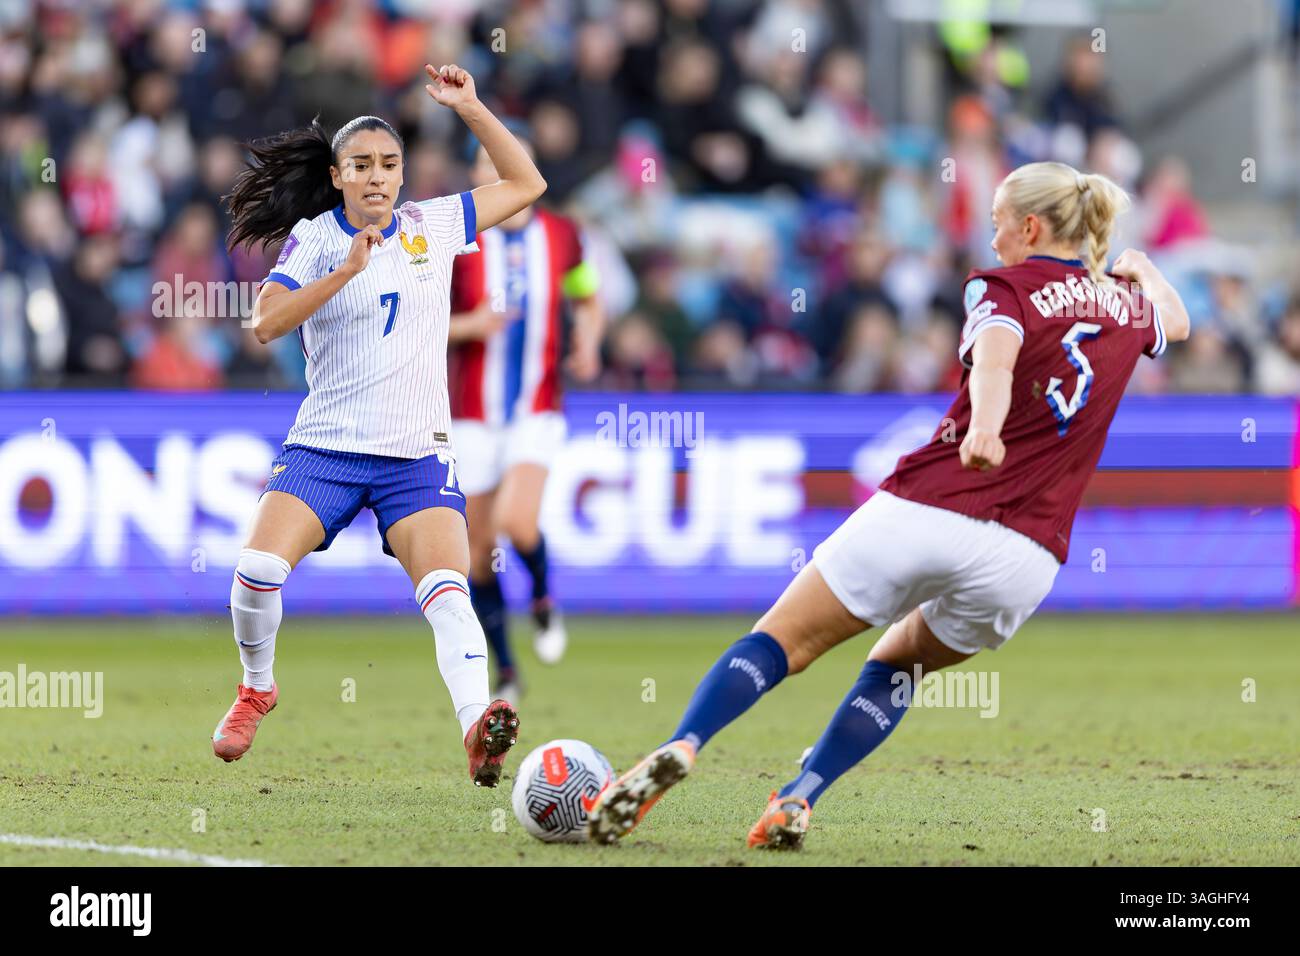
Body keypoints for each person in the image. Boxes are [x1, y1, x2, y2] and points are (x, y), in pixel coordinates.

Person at [588, 161, 1190, 848]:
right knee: (898, 667)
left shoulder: (1003, 288)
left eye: (997, 224)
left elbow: (996, 359)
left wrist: (987, 428)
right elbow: (1178, 320)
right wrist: (1142, 269)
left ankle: (685, 744)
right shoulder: (1126, 303)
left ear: (1030, 226)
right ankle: (800, 796)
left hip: (933, 506)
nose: (992, 240)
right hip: (1027, 555)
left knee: (783, 640)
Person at [214, 64, 546, 788]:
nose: (376, 178)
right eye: (360, 166)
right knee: (257, 571)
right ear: (336, 177)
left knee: (450, 590)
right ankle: (256, 687)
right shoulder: (316, 240)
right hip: (327, 447)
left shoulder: (433, 223)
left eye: (388, 166)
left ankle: (475, 729)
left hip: (414, 455)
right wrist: (345, 272)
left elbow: (526, 186)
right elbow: (265, 322)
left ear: (401, 176)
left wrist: (473, 107)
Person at [447, 136, 605, 700]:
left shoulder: (562, 235)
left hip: (536, 407)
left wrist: (589, 340)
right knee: (475, 554)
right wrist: (468, 328)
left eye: (501, 162)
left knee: (518, 523)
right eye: (481, 165)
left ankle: (541, 598)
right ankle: (507, 670)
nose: (491, 174)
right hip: (469, 413)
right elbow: (421, 320)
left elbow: (585, 293)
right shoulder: (457, 240)